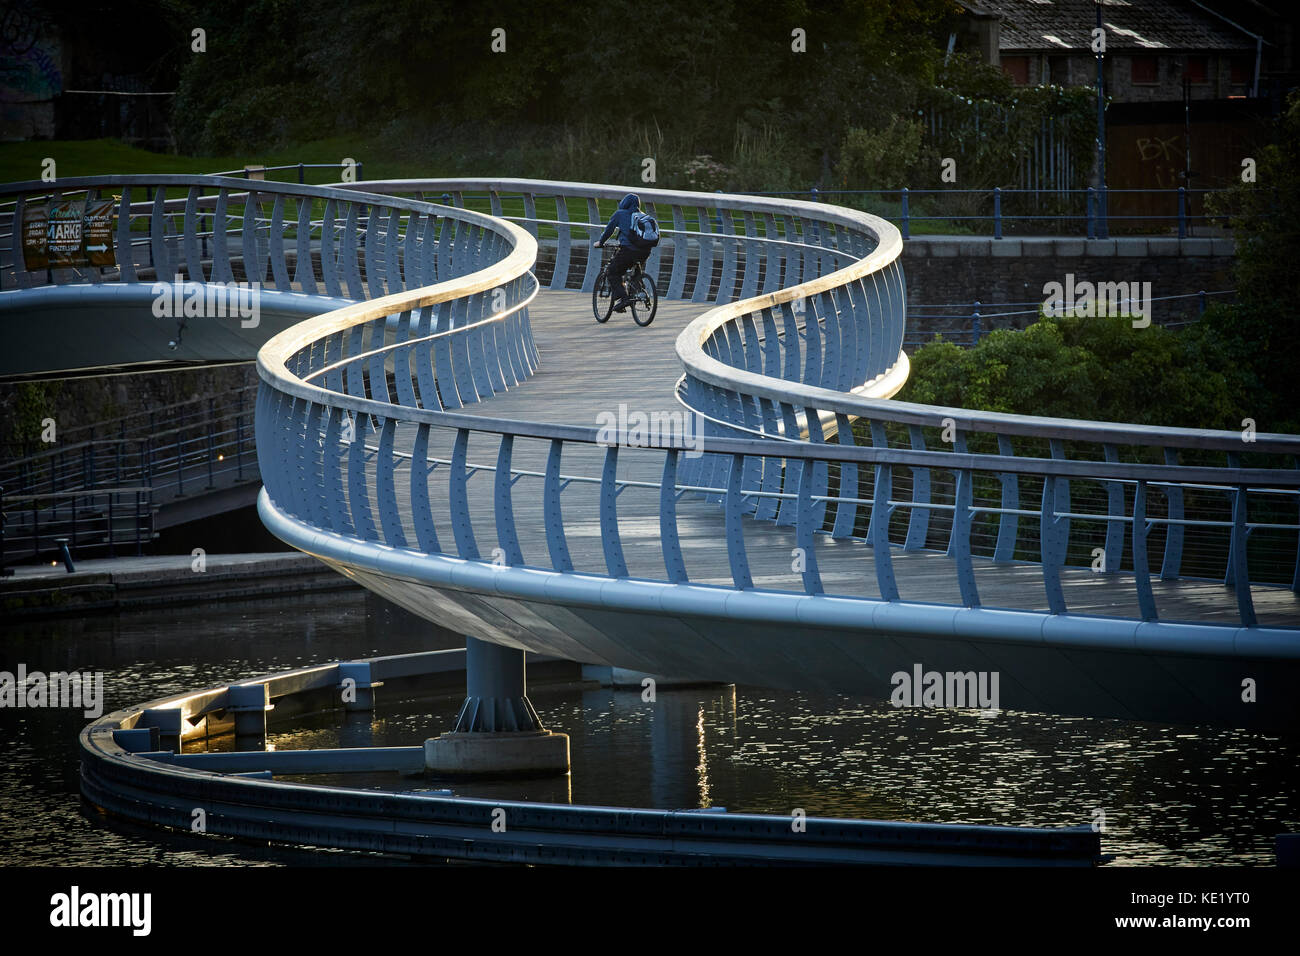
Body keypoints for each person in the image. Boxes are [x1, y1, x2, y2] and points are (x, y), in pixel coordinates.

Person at [592, 193, 653, 312]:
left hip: (628, 251)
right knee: (635, 271)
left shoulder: (620, 214)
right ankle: (641, 292)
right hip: (645, 251)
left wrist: (600, 242)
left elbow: (609, 230)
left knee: (612, 272)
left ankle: (624, 299)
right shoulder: (643, 216)